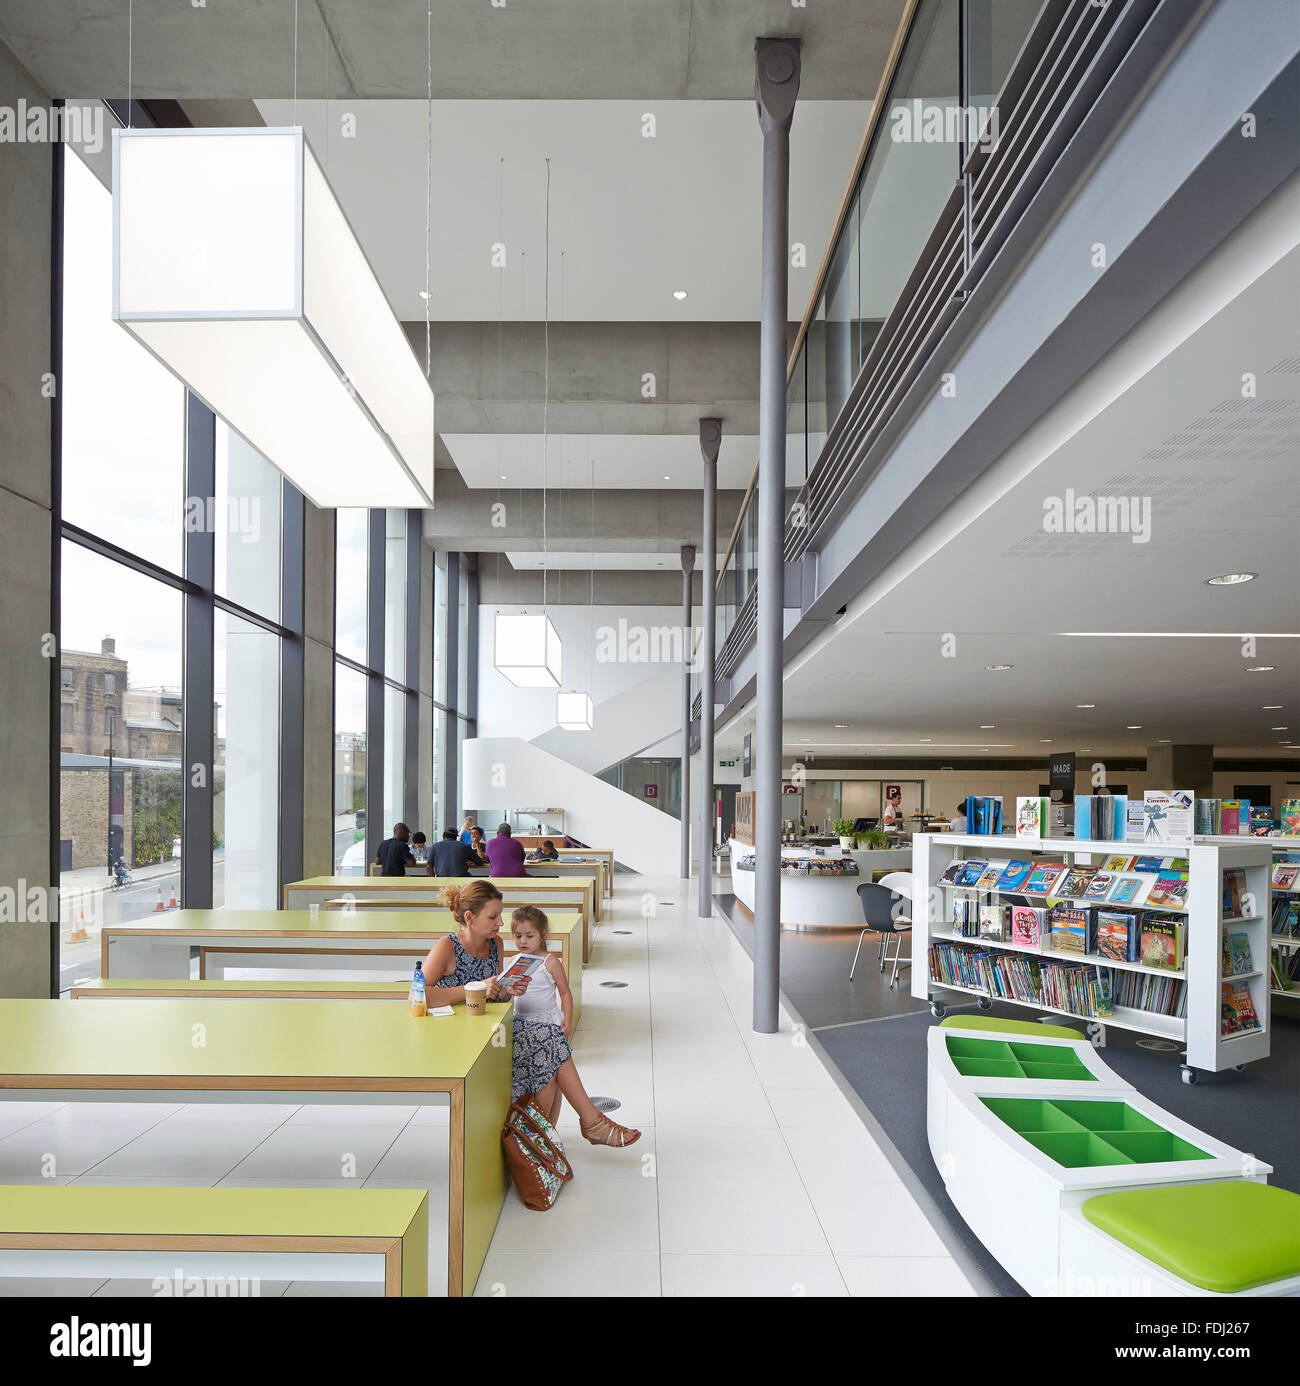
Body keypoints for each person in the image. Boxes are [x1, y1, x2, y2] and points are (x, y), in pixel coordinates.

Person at [507, 906, 640, 1146]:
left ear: (543, 934)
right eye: (518, 936)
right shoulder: (514, 962)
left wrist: (567, 1018)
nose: (523, 941)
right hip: (523, 1024)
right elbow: (509, 998)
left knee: (553, 1068)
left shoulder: (550, 962)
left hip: (547, 1021)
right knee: (555, 1066)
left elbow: (565, 993)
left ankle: (549, 1132)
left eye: (529, 936)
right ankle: (587, 1124)